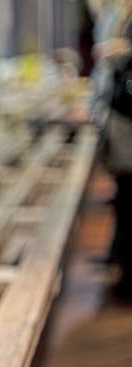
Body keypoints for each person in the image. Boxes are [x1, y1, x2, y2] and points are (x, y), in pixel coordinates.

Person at [94, 0, 132, 297]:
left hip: (127, 119)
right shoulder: (121, 15)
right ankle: (120, 258)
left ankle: (126, 270)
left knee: (128, 198)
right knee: (125, 196)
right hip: (122, 117)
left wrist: (123, 52)